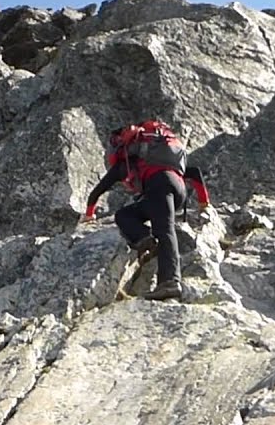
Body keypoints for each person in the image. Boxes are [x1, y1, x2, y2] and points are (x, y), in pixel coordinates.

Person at [81, 120, 211, 300]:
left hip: (159, 186)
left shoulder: (125, 165)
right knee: (124, 215)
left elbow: (97, 192)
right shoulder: (156, 157)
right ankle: (147, 240)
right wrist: (204, 203)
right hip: (177, 190)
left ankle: (170, 282)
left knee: (164, 230)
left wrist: (89, 215)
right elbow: (195, 172)